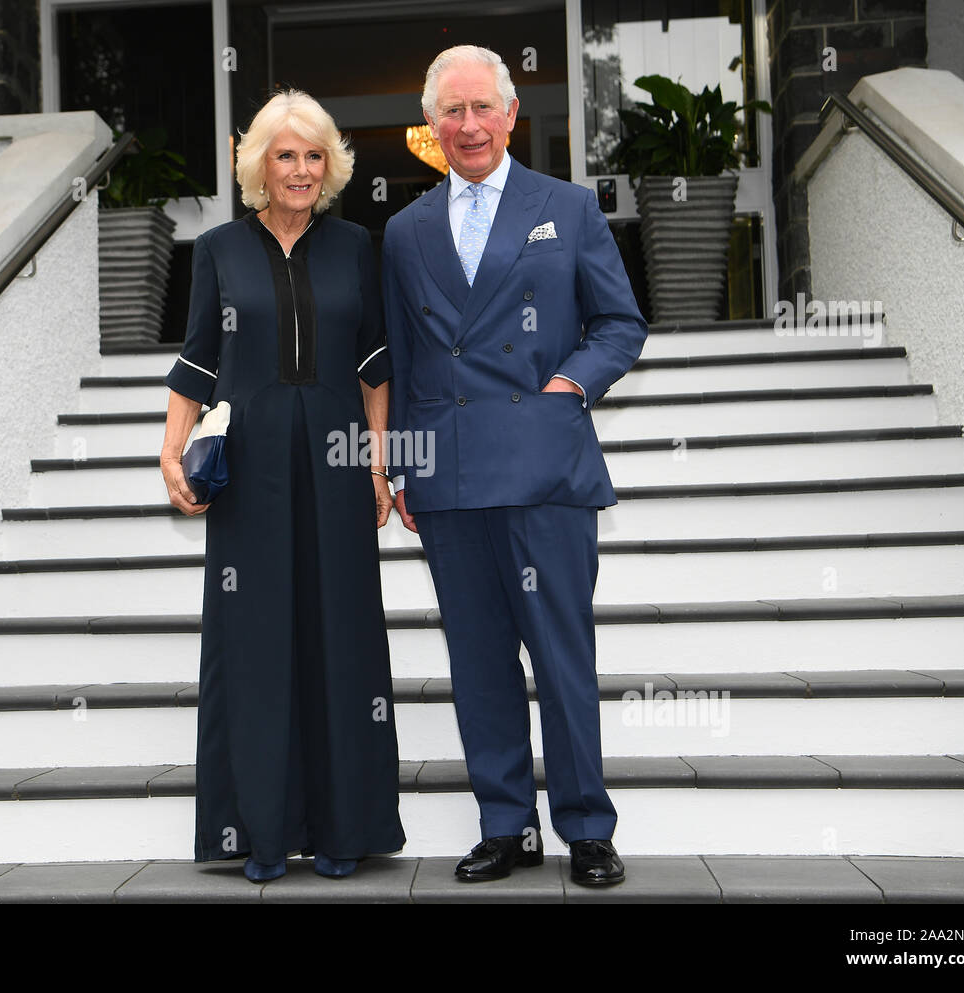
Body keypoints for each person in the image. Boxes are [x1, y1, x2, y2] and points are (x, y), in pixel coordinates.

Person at [382, 45, 648, 885]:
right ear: (430, 127)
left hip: (544, 468)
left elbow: (619, 324)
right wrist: (399, 462)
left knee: (561, 652)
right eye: (450, 112)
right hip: (451, 475)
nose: (468, 126)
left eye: (481, 109)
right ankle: (507, 824)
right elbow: (403, 355)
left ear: (510, 113)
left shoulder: (566, 207)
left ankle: (586, 826)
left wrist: (569, 385)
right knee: (478, 658)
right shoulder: (403, 229)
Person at [159, 90, 405, 883]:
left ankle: (343, 828)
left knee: (341, 635)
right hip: (251, 469)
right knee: (256, 643)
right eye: (285, 155)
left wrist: (378, 462)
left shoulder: (355, 246)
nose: (301, 169)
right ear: (259, 166)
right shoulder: (220, 250)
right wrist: (171, 454)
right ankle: (255, 832)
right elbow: (197, 361)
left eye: (313, 155)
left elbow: (374, 363)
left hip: (336, 464)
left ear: (330, 166)